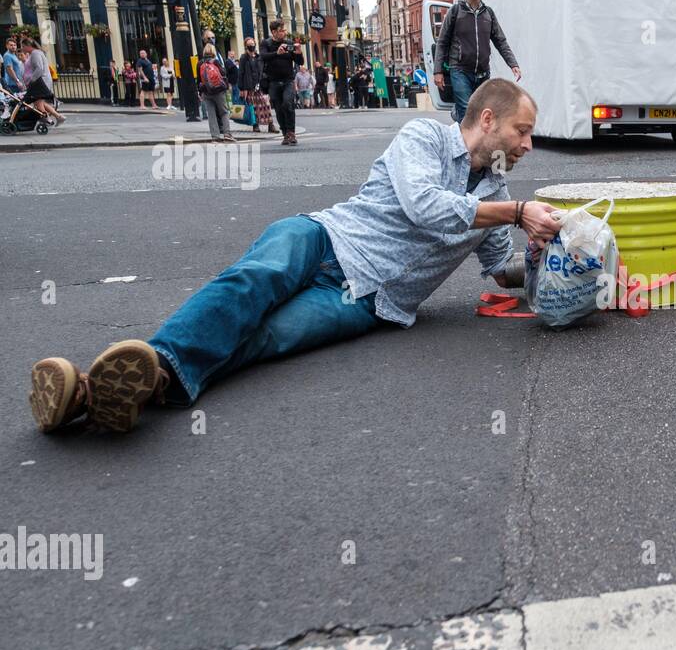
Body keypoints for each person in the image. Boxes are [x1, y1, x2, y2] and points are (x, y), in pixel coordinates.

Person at [27, 79, 563, 435]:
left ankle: (99, 393)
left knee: (266, 337)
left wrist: (551, 259)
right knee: (251, 284)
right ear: (489, 120)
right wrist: (517, 212)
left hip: (366, 298)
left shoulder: (496, 188)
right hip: (325, 237)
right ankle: (134, 378)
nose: (528, 145)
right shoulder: (423, 136)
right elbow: (425, 207)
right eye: (523, 131)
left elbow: (500, 270)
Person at [433, 0, 522, 123]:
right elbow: (442, 42)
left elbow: (500, 40)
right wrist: (438, 71)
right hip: (460, 70)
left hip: (482, 72)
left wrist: (513, 63)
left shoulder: (488, 14)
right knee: (468, 111)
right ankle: (465, 145)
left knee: (481, 111)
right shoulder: (455, 12)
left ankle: (458, 115)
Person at [260, 19, 304, 145]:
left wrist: (299, 53)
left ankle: (291, 132)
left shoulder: (289, 43)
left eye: (285, 30)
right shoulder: (266, 43)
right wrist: (276, 53)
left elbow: (300, 62)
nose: (284, 32)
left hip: (288, 80)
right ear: (274, 32)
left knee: (288, 104)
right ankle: (285, 133)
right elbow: (263, 56)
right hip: (273, 82)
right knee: (279, 109)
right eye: (282, 30)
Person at [18, 37, 64, 124]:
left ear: (28, 46)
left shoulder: (35, 53)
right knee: (38, 102)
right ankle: (56, 117)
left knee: (37, 101)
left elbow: (39, 68)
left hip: (40, 81)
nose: (22, 48)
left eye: (23, 46)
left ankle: (47, 120)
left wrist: (32, 80)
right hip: (41, 81)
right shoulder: (35, 53)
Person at [197, 44, 235, 142]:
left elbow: (199, 79)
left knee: (211, 114)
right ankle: (227, 133)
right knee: (224, 112)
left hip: (206, 91)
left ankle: (215, 136)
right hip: (219, 91)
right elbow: (223, 73)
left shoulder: (200, 63)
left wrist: (200, 92)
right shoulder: (216, 62)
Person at [237, 36, 275, 133]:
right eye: (249, 45)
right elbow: (241, 73)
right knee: (253, 107)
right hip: (249, 87)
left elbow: (263, 70)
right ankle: (255, 125)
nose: (251, 46)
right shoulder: (244, 58)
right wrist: (241, 88)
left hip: (260, 85)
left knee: (266, 104)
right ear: (246, 46)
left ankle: (271, 125)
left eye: (253, 44)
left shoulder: (259, 57)